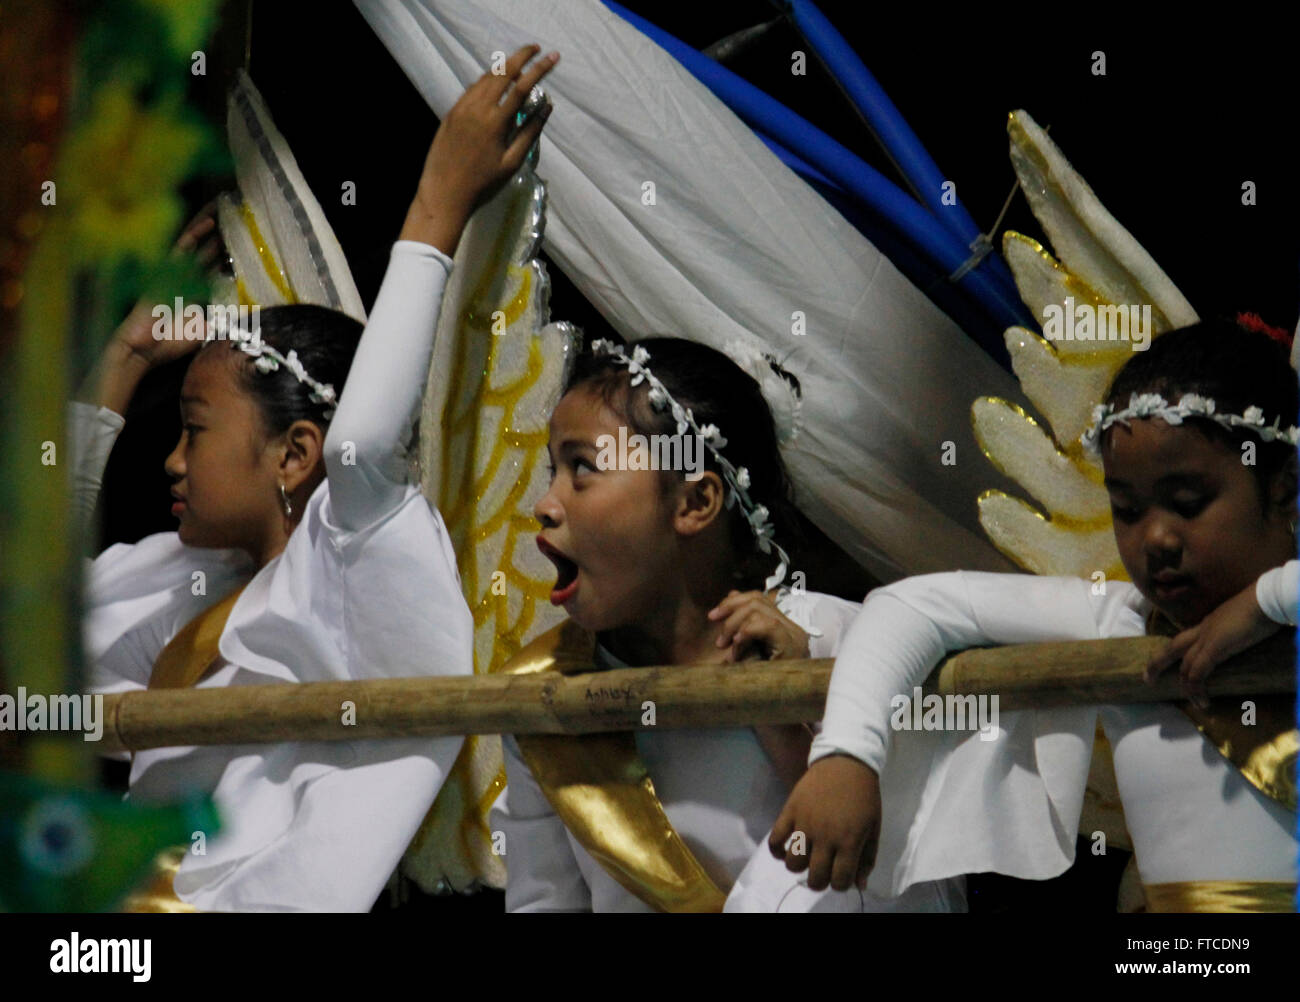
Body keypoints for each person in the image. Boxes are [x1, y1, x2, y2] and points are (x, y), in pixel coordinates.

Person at [76, 45, 559, 911]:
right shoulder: (187, 585)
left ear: (296, 456)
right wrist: (125, 357)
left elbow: (364, 443)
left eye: (193, 429)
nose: (171, 460)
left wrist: (437, 208)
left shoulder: (361, 557)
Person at [763, 317, 1298, 912]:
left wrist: (1268, 601)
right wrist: (847, 755)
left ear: (1284, 486)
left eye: (1188, 503)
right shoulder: (1118, 623)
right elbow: (910, 606)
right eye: (1126, 510)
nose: (1156, 538)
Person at [489, 336, 964, 912]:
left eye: (581, 468)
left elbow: (918, 884)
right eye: (552, 469)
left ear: (694, 503)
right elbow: (544, 901)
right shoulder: (544, 696)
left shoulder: (852, 646)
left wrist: (794, 728)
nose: (546, 503)